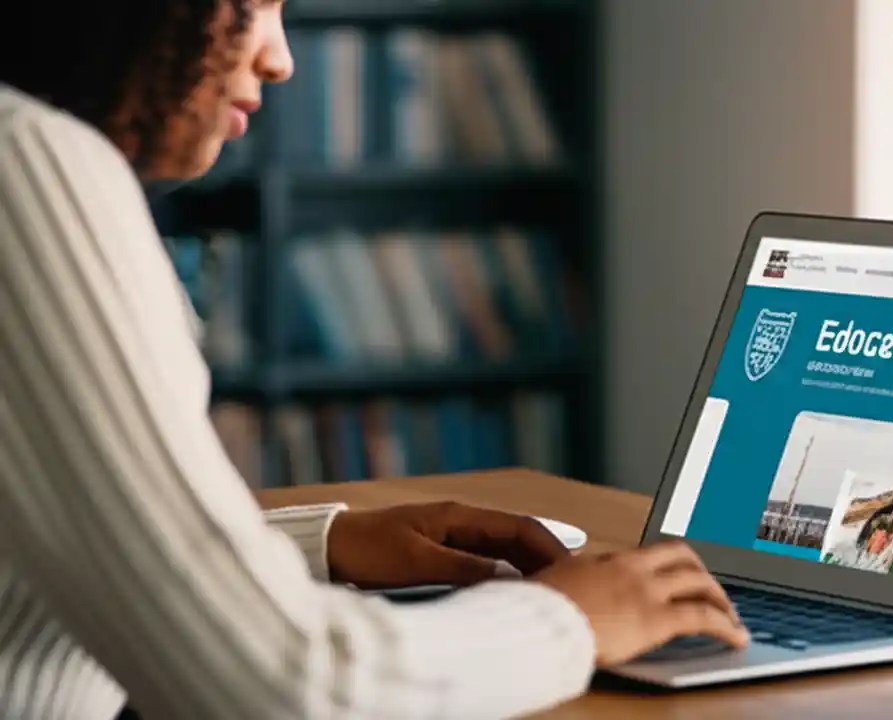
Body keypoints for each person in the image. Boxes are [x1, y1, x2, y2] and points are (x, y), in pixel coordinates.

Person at [0, 2, 747, 717]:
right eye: (254, 3)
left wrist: (323, 544)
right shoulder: (28, 167)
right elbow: (287, 687)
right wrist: (572, 621)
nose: (280, 59)